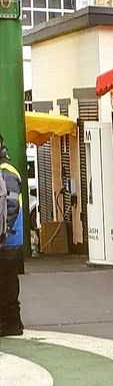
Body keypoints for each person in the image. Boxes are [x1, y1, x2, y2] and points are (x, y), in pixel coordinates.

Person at [0, 134, 24, 337]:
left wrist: (2, 232)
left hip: (8, 239)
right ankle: (9, 322)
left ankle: (12, 323)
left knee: (6, 282)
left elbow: (11, 205)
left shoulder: (6, 171)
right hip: (7, 237)